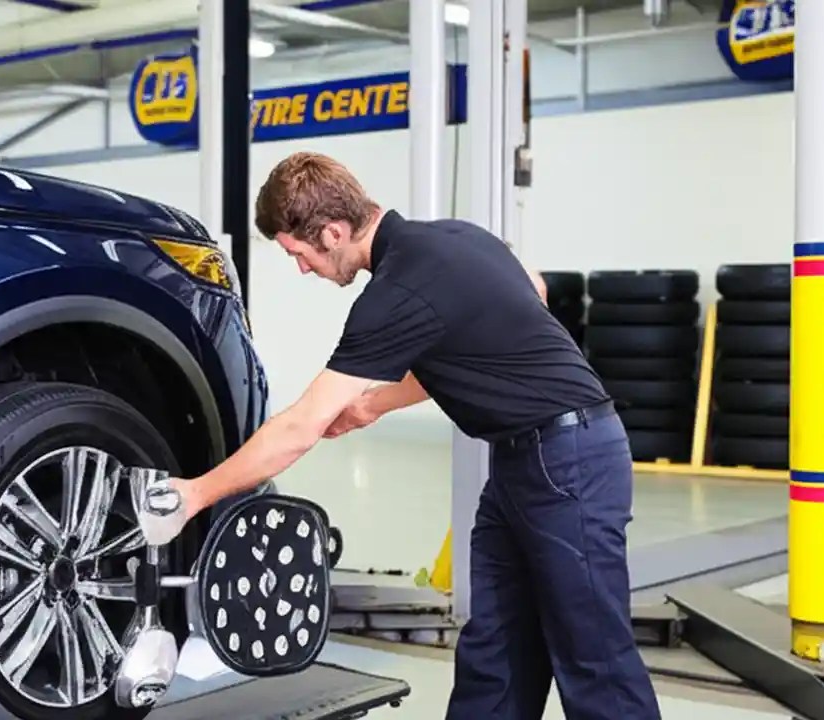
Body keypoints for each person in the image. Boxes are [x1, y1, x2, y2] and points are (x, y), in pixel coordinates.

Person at [135, 151, 661, 720]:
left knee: (592, 656)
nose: (303, 269)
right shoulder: (457, 238)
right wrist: (380, 402)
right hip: (525, 461)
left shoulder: (396, 292)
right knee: (496, 648)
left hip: (568, 462)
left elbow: (299, 427)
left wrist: (195, 494)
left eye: (299, 253)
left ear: (332, 232)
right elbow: (529, 293)